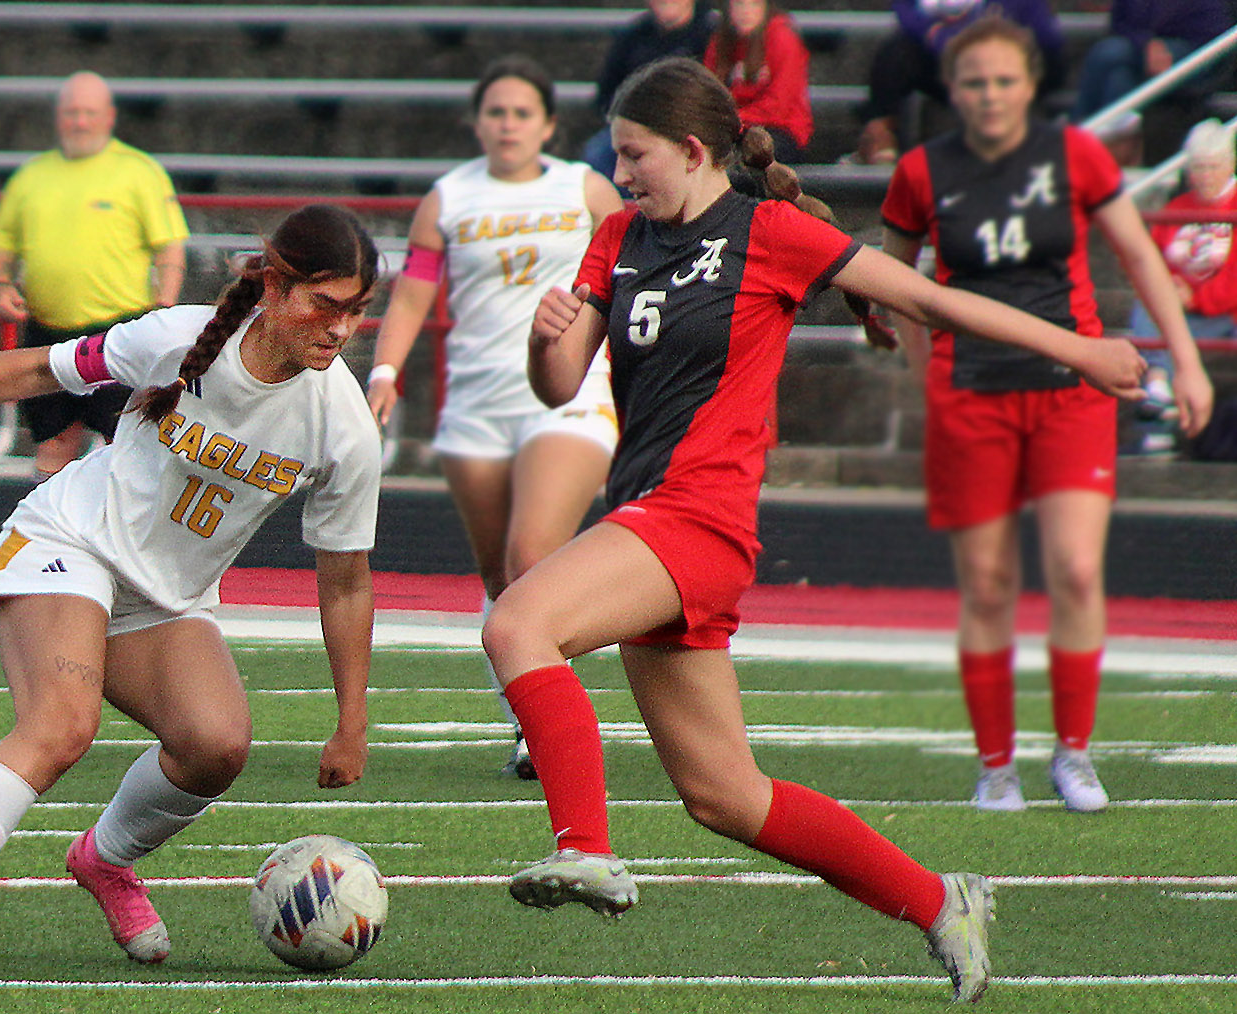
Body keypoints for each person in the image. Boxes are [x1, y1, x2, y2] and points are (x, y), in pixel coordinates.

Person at [479, 55, 1148, 1004]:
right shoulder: (619, 236)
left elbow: (930, 299)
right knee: (726, 798)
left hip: (698, 518)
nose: (620, 174)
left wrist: (1079, 348)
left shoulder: (770, 233)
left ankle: (585, 847)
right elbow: (558, 386)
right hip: (646, 518)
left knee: (518, 623)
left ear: (693, 150)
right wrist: (543, 335)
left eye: (634, 156)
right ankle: (941, 901)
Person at [0, 205, 383, 978]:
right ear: (272, 286)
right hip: (68, 541)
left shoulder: (345, 428)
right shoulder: (178, 338)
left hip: (165, 598)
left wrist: (352, 722)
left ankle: (105, 859)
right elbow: (41, 369)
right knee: (62, 725)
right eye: (323, 304)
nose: (340, 329)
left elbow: (346, 583)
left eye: (356, 311)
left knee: (216, 747)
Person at [880, 18, 1213, 815]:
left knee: (1075, 569)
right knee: (989, 584)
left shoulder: (1077, 156)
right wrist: (928, 378)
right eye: (973, 82)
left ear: (1030, 85)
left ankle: (1074, 752)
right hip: (972, 396)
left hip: (1072, 392)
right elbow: (896, 289)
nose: (990, 95)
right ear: (952, 89)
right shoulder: (922, 170)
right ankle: (996, 767)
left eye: (1004, 80)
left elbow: (1139, 254)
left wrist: (1188, 360)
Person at [367, 56, 625, 780]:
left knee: (530, 555)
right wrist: (384, 374)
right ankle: (528, 714)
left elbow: (635, 271)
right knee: (500, 579)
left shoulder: (585, 188)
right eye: (496, 112)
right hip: (476, 409)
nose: (508, 124)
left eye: (522, 113)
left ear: (547, 125)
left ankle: (548, 731)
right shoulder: (448, 198)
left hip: (570, 394)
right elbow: (413, 295)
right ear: (476, 122)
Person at [0, 70, 189, 481]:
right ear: (59, 116)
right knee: (54, 442)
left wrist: (165, 303)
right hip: (47, 330)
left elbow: (170, 244)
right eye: (72, 112)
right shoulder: (32, 175)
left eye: (89, 112)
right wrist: (2, 284)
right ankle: (48, 521)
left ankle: (119, 522)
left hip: (116, 333)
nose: (80, 122)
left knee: (125, 442)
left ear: (108, 116)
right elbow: (4, 240)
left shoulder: (139, 172)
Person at [1127, 118, 1237, 452]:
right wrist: (1168, 286)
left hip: (1226, 314)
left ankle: (1161, 407)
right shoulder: (1177, 207)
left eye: (1212, 167)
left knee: (1165, 317)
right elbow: (1151, 260)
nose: (1205, 175)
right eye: (1198, 167)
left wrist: (1194, 298)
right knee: (1149, 300)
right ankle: (1159, 387)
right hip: (1181, 311)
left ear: (1230, 164)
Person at [849, 0, 1064, 166]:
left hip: (1009, 57)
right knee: (896, 54)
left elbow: (1046, 39)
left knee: (1003, 67)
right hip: (947, 59)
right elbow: (905, 9)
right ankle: (882, 134)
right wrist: (937, 35)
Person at [581, 0, 716, 184]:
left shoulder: (713, 34)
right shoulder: (632, 36)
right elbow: (607, 94)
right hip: (634, 125)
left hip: (691, 127)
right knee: (598, 152)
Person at [1071, 0, 1232, 125]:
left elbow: (1212, 36)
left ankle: (1076, 135)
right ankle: (1100, 145)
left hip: (1193, 60)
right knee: (1118, 78)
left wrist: (1164, 50)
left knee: (1108, 51)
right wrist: (1145, 45)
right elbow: (1119, 24)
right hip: (1136, 59)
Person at [702, 0, 812, 164]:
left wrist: (734, 119)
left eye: (754, 4)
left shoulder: (783, 38)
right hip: (733, 127)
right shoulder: (720, 41)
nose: (746, 11)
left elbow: (779, 104)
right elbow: (708, 91)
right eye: (739, 4)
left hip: (779, 129)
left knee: (745, 156)